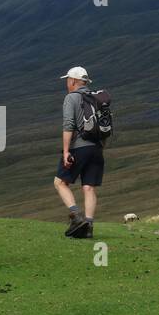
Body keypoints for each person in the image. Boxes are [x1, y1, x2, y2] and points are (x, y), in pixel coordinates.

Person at [52, 66, 103, 238]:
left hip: (79, 147)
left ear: (73, 81)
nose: (67, 83)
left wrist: (66, 151)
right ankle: (88, 226)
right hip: (96, 149)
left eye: (68, 80)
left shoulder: (71, 98)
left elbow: (69, 125)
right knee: (88, 187)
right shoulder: (96, 97)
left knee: (60, 182)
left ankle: (76, 217)